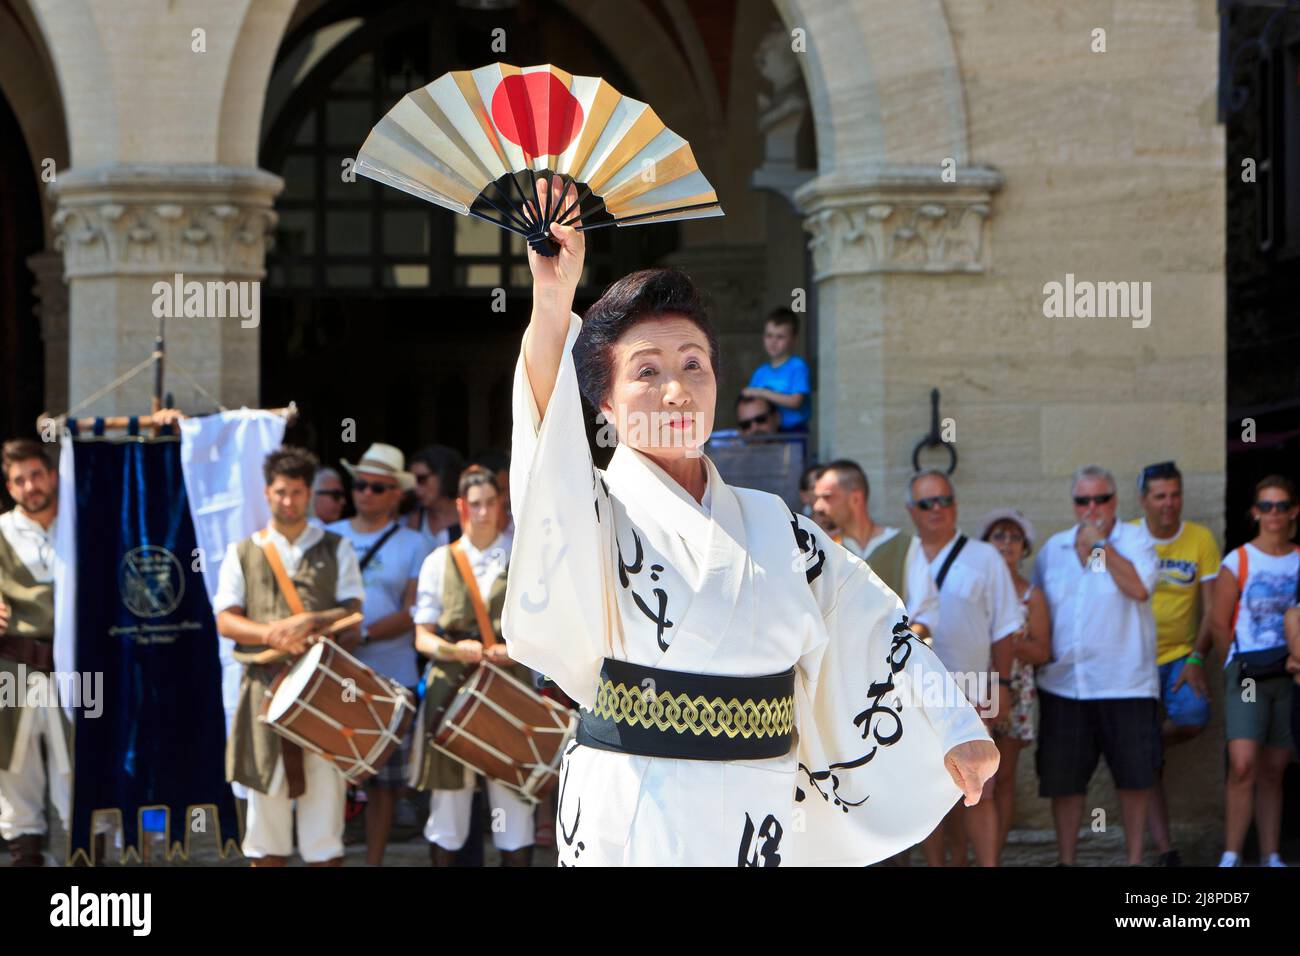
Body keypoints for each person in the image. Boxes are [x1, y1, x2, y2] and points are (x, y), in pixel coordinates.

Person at [502, 177, 996, 866]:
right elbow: (544, 471)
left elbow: (872, 623)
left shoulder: (776, 525)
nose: (676, 388)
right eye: (646, 371)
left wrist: (949, 723)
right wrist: (553, 303)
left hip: (762, 805)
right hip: (636, 801)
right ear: (605, 407)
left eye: (693, 365)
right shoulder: (595, 514)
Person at [214, 447, 364, 866]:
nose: (288, 501)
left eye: (297, 492)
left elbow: (354, 614)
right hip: (265, 692)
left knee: (325, 830)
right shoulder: (243, 551)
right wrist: (273, 635)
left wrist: (312, 621)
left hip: (325, 692)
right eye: (281, 492)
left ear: (309, 493)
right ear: (267, 492)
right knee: (265, 830)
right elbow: (226, 621)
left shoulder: (336, 547)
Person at [1033, 465, 1160, 866]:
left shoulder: (1137, 539)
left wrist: (1101, 546)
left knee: (1135, 779)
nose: (1092, 508)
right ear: (1073, 504)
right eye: (1082, 500)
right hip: (1064, 686)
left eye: (1100, 499)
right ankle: (1067, 861)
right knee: (1064, 783)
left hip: (1125, 683)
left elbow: (1139, 588)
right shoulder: (1053, 549)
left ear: (1115, 500)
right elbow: (1040, 610)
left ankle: (1134, 861)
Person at [411, 466, 534, 866]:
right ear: (462, 506)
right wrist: (454, 650)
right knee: (448, 810)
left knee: (513, 809)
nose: (483, 513)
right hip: (452, 692)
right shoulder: (438, 561)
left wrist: (514, 650)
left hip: (509, 689)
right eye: (475, 505)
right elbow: (422, 637)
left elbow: (547, 632)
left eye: (491, 504)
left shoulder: (524, 556)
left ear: (502, 505)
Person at [905, 471, 1020, 866]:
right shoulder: (904, 554)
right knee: (931, 785)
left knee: (981, 787)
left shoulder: (984, 556)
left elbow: (1005, 627)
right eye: (926, 503)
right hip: (917, 691)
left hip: (975, 685)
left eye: (944, 500)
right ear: (912, 511)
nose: (936, 509)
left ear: (955, 504)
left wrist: (1002, 685)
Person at [328, 442, 430, 865]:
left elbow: (414, 609)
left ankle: (373, 862)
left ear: (395, 495)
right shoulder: (329, 536)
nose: (366, 493)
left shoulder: (415, 543)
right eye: (361, 485)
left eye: (377, 487)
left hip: (392, 675)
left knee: (385, 781)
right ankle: (328, 852)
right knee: (332, 775)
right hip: (337, 675)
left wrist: (361, 634)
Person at [1130, 460, 1219, 867]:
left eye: (1175, 494)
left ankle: (1149, 745)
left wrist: (1198, 657)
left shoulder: (1200, 539)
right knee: (1144, 763)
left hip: (1182, 655)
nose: (1169, 504)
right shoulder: (1127, 536)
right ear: (1144, 500)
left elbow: (1213, 610)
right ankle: (1167, 852)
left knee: (1194, 715)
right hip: (1134, 660)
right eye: (1160, 496)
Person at [1208, 474, 1299, 868]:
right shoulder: (1239, 559)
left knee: (1275, 768)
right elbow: (1217, 620)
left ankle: (1270, 854)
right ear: (1254, 512)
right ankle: (1231, 853)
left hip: (1290, 672)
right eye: (1266, 506)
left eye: (1281, 506)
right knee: (1243, 761)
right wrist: (1234, 661)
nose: (1273, 514)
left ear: (1293, 510)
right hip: (1247, 672)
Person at [0, 440, 70, 866]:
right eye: (20, 480)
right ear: (10, 488)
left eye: (36, 475)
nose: (30, 486)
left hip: (75, 668)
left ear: (53, 475)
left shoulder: (78, 525)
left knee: (77, 770)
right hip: (14, 666)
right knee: (14, 770)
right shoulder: (2, 531)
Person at [975, 508, 1052, 853]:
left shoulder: (1031, 594)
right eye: (998, 536)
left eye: (1014, 537)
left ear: (1025, 546)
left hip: (1016, 692)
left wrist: (1008, 642)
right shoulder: (975, 587)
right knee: (978, 779)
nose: (1006, 543)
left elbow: (1043, 650)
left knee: (1003, 778)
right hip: (976, 689)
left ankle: (995, 853)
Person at [812, 460, 938, 642]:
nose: (818, 507)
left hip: (895, 666)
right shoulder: (823, 551)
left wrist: (895, 647)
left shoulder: (908, 546)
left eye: (827, 497)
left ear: (855, 498)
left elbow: (927, 614)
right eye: (816, 498)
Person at [742, 307, 810, 432]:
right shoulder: (760, 372)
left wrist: (762, 392)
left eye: (780, 337)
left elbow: (796, 402)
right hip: (766, 430)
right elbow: (751, 402)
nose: (773, 342)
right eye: (769, 335)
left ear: (794, 339)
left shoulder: (797, 366)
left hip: (794, 431)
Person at [406, 445, 464, 553]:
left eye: (421, 479)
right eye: (412, 480)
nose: (415, 487)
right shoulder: (415, 519)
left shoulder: (467, 514)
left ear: (444, 475)